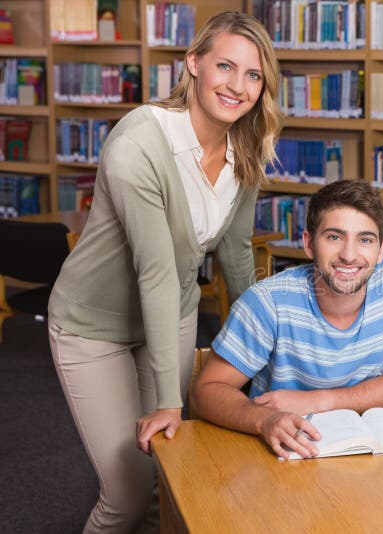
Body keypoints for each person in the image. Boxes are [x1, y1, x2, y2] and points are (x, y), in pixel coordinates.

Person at [47, 12, 281, 533]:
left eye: (253, 74)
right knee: (127, 496)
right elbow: (153, 271)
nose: (237, 86)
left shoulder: (246, 149)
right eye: (225, 65)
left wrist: (263, 348)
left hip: (171, 312)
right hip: (92, 327)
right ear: (193, 64)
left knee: (171, 482)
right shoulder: (140, 145)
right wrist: (172, 405)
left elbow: (238, 255)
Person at [191, 180, 383, 459]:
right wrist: (263, 420)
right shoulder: (268, 301)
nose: (349, 255)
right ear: (309, 243)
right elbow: (205, 392)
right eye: (334, 237)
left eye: (365, 240)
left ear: (381, 249)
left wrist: (319, 400)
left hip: (369, 453)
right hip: (287, 453)